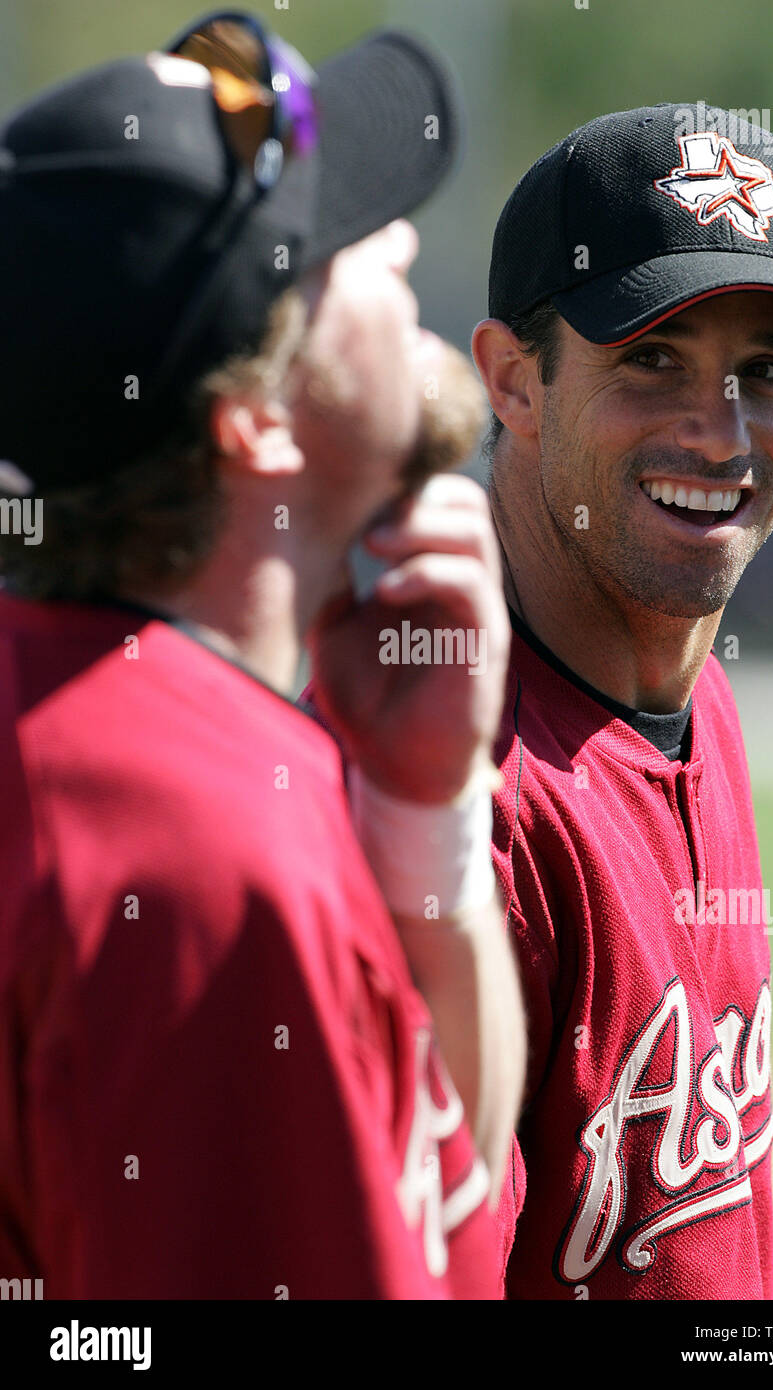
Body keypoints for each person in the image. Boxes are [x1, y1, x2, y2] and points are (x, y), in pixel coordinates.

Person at [0, 13, 525, 1300]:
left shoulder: (122, 737)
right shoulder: (195, 855)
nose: (400, 240)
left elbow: (431, 1188)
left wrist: (420, 815)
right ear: (254, 419)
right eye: (339, 236)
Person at [471, 102, 773, 1300]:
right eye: (649, 356)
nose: (718, 433)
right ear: (512, 381)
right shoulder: (458, 796)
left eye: (766, 371)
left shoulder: (695, 693)